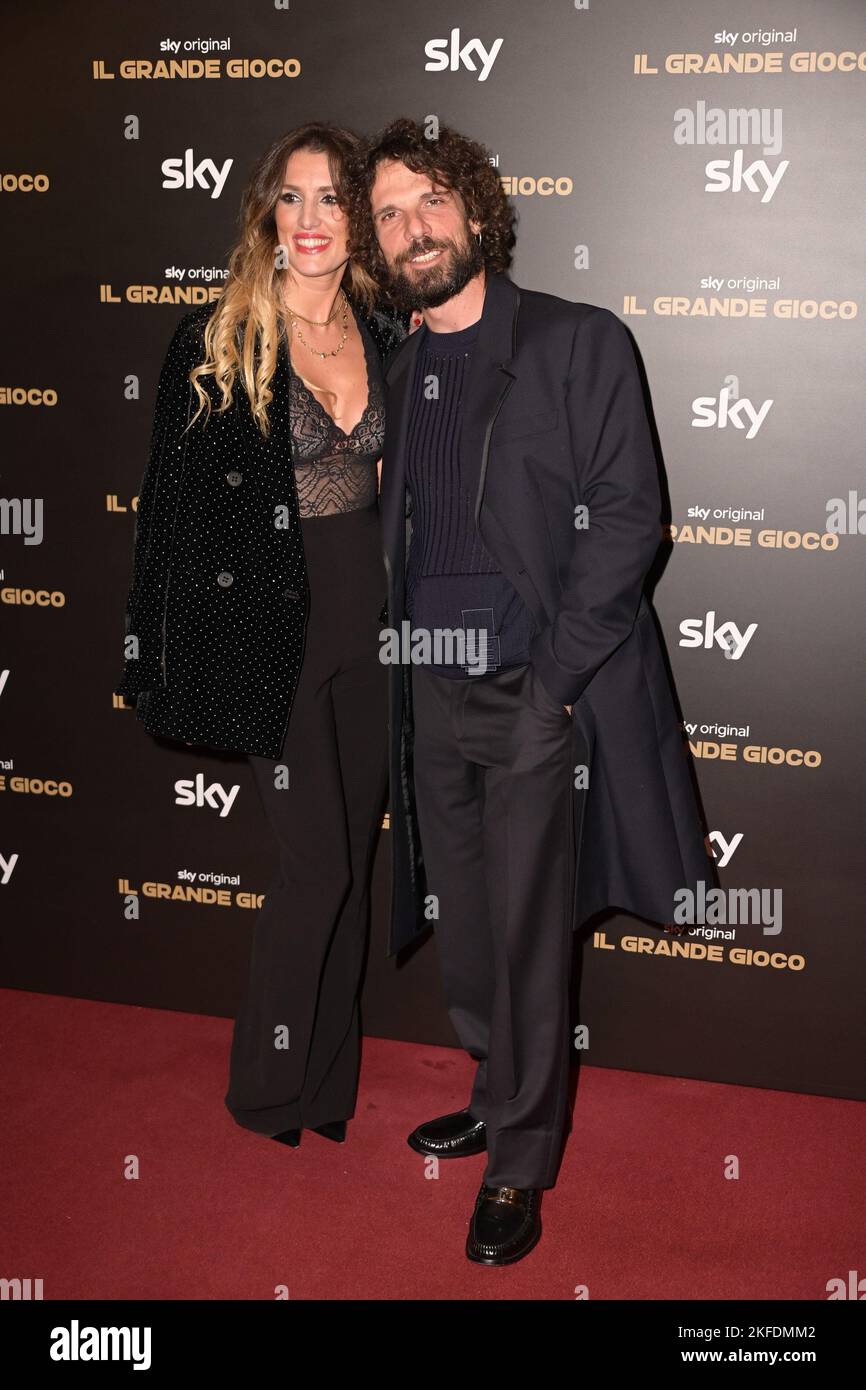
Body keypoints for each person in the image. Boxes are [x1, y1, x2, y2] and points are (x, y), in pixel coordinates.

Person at [347, 119, 713, 1265]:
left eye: (428, 202)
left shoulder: (572, 341)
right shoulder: (399, 367)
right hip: (431, 697)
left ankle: (519, 1160)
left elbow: (624, 520)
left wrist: (553, 682)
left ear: (474, 210)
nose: (412, 227)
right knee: (464, 921)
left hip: (534, 695)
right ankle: (495, 1086)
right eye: (390, 214)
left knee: (523, 932)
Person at [114, 122, 407, 1149]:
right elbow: (168, 521)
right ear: (267, 218)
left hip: (374, 638)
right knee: (316, 864)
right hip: (269, 639)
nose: (314, 218)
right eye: (294, 197)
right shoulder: (216, 339)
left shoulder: (385, 333)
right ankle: (264, 1086)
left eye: (333, 198)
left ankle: (325, 1090)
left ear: (356, 221)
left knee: (353, 868)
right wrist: (152, 654)